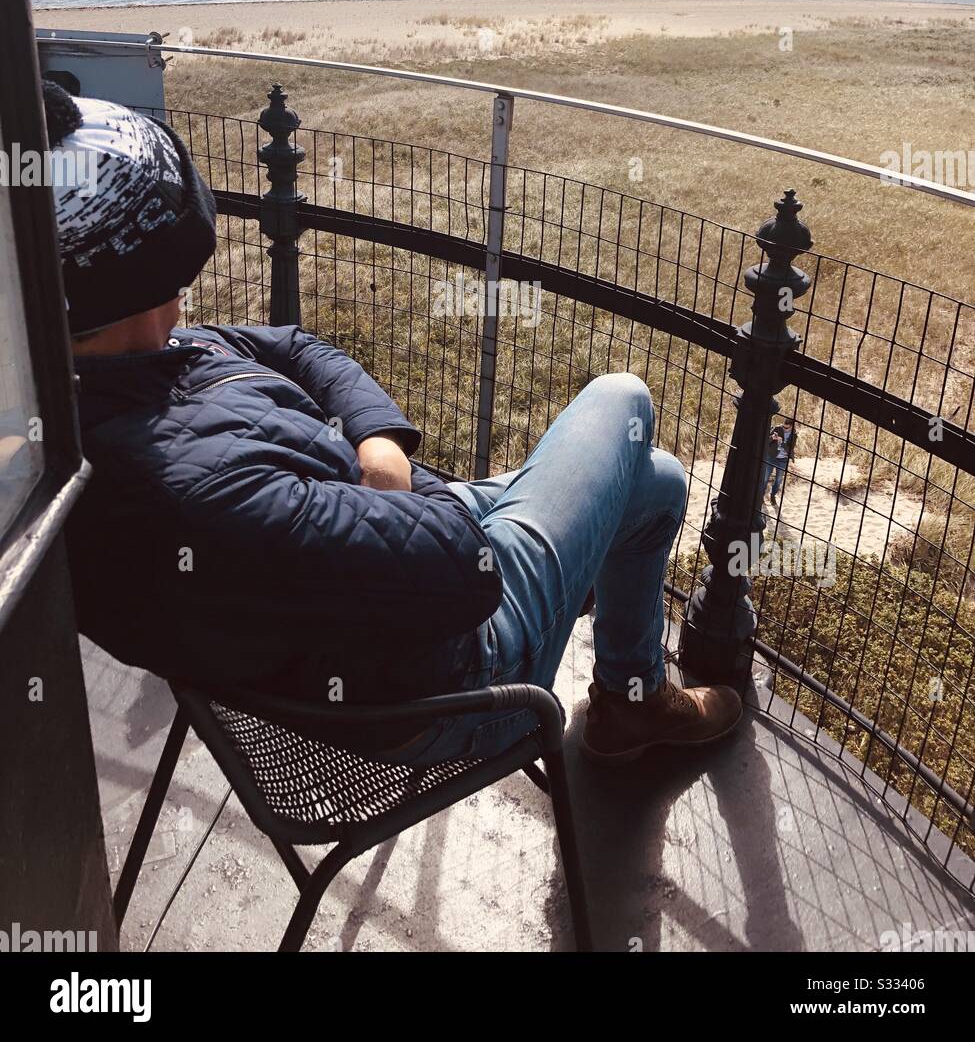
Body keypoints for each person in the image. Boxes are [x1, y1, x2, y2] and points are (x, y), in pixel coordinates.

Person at [44, 82, 741, 769]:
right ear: (158, 265)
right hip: (455, 685)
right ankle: (627, 691)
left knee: (656, 484)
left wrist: (377, 449)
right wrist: (401, 489)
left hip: (370, 571)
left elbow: (294, 346)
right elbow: (465, 568)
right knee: (622, 398)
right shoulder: (189, 486)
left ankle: (633, 698)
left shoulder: (114, 368)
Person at [761, 418, 797, 509]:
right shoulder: (777, 428)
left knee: (778, 480)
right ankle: (760, 495)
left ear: (791, 426)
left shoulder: (794, 435)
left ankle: (773, 496)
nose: (784, 428)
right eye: (783, 426)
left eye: (786, 428)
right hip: (771, 457)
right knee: (765, 478)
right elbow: (766, 440)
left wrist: (782, 442)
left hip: (783, 460)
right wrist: (772, 438)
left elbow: (790, 449)